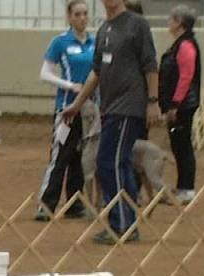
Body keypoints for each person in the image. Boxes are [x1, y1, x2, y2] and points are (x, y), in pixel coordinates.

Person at [60, 0, 160, 245]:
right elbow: (96, 72)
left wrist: (153, 101)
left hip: (129, 106)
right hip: (109, 107)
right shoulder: (105, 29)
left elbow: (150, 65)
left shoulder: (137, 25)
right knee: (120, 162)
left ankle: (121, 223)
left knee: (107, 161)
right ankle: (127, 223)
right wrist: (78, 103)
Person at [35, 0, 96, 222]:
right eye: (77, 14)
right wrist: (70, 86)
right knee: (60, 155)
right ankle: (46, 204)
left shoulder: (94, 42)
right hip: (67, 109)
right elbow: (45, 73)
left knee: (81, 157)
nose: (82, 18)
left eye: (85, 14)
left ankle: (75, 203)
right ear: (69, 17)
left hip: (89, 110)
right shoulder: (60, 42)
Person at [158, 4, 201, 204]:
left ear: (179, 23)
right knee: (178, 145)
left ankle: (187, 188)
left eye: (171, 19)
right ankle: (183, 186)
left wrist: (175, 104)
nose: (169, 23)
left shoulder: (185, 46)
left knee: (183, 145)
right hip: (179, 105)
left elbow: (186, 77)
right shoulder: (180, 44)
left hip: (183, 106)